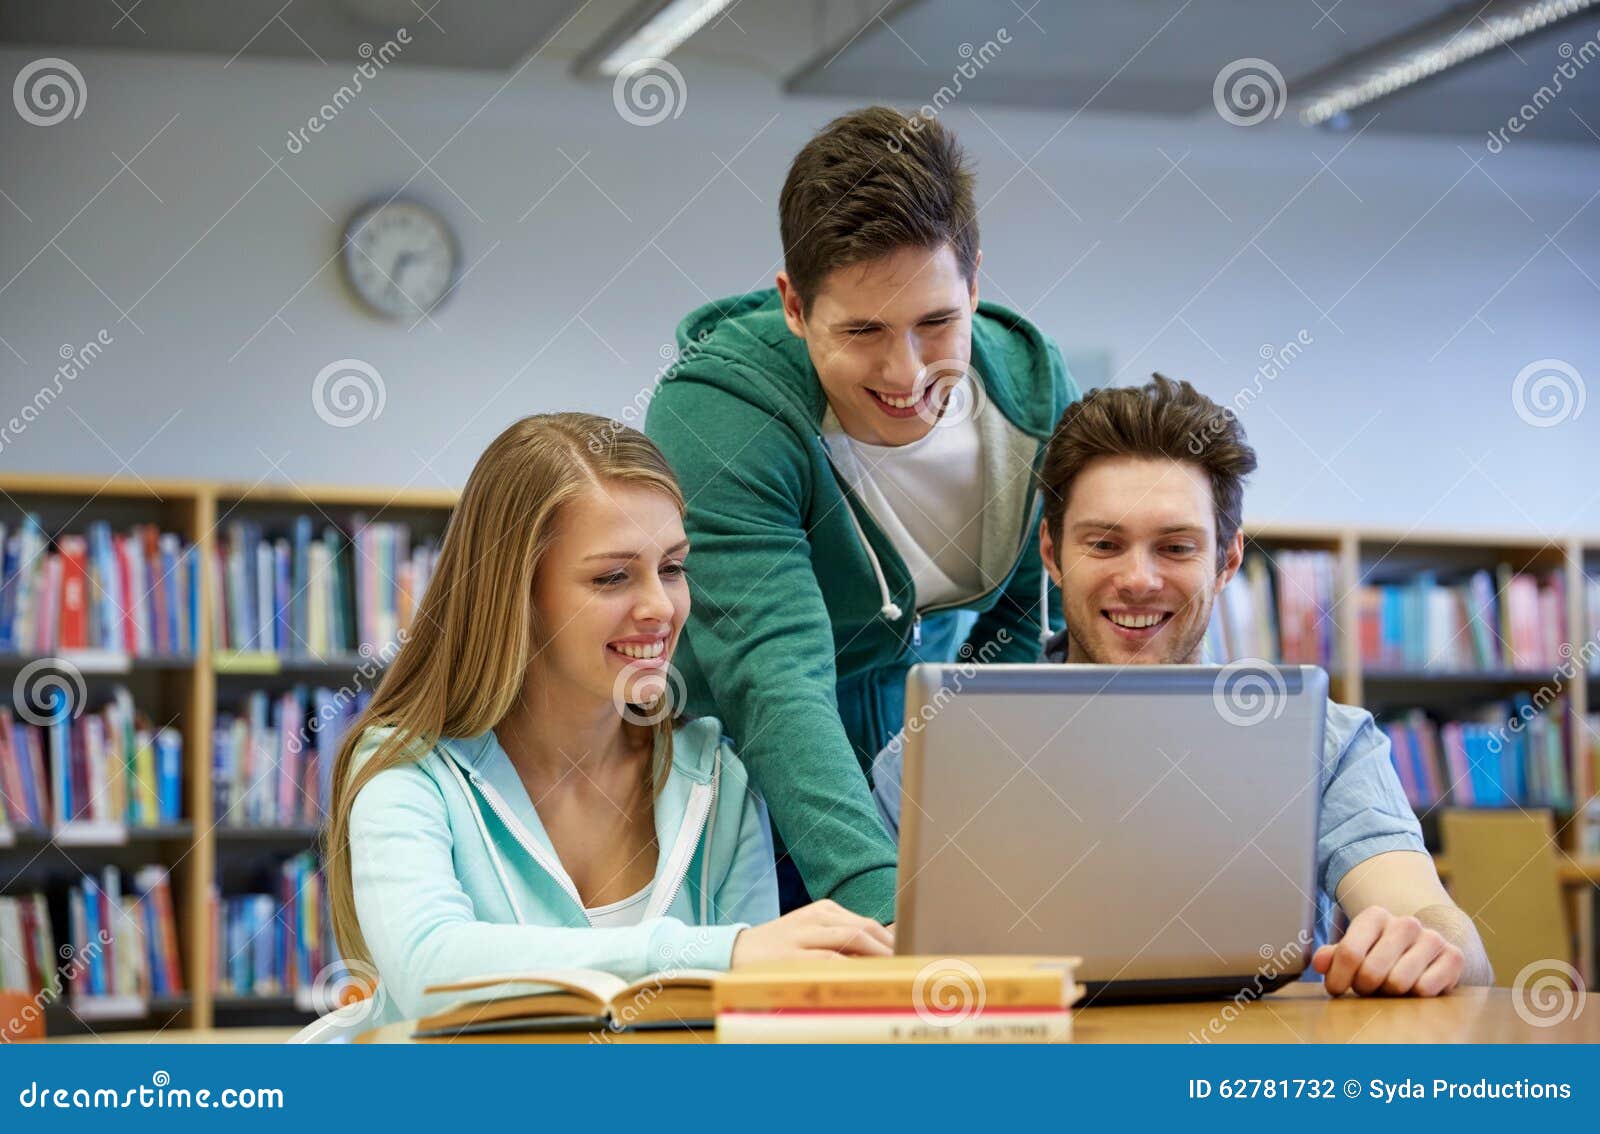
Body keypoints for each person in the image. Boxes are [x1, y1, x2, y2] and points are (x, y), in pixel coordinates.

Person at [871, 375, 1492, 997]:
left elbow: (1431, 917)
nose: (1138, 579)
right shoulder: (939, 744)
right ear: (1053, 554)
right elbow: (868, 954)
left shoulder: (1323, 740)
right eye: (1105, 544)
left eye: (1174, 547)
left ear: (1226, 561)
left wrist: (1432, 945)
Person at [644, 106, 1077, 921]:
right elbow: (775, 683)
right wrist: (889, 916)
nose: (906, 371)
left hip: (927, 787)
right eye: (863, 330)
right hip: (746, 795)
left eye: (938, 321)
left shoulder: (1031, 399)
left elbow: (1023, 612)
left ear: (976, 281)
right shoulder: (719, 413)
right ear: (795, 308)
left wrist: (981, 816)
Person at [326, 413, 892, 1026]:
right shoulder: (409, 772)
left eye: (672, 568)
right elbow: (430, 972)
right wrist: (715, 954)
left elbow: (743, 1023)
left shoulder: (717, 774)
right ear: (517, 594)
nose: (660, 606)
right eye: (613, 577)